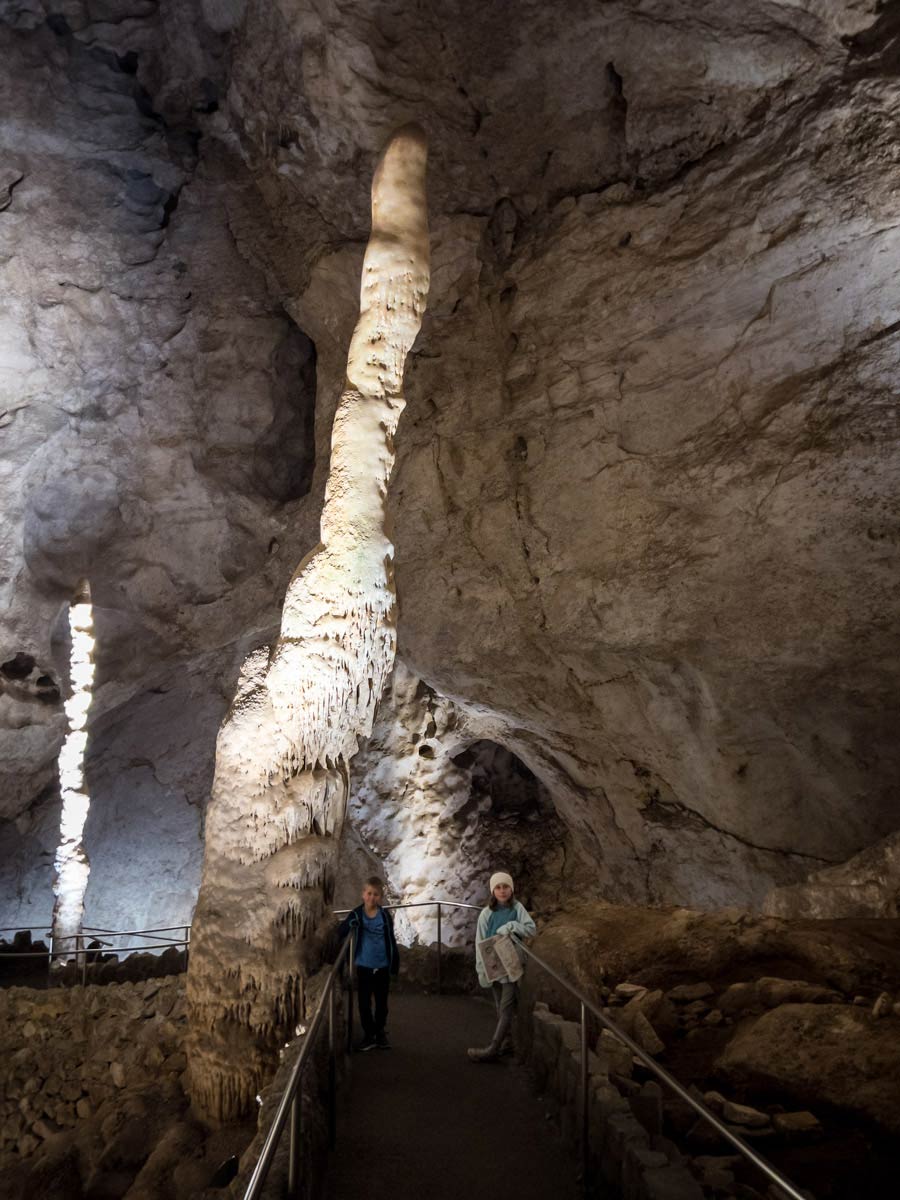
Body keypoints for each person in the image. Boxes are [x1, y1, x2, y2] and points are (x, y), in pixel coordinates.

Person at [468, 871, 536, 1062]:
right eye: (498, 887)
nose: (502, 891)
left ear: (511, 888)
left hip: (511, 962)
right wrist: (481, 968)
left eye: (505, 887)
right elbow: (480, 941)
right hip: (493, 962)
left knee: (506, 1008)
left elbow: (531, 929)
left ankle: (493, 1048)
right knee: (500, 1006)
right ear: (493, 891)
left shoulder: (517, 908)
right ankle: (507, 1043)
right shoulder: (486, 914)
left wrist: (513, 925)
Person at [338, 875, 399, 1051]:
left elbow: (391, 941)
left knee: (382, 1003)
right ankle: (369, 1034)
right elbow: (342, 930)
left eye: (376, 894)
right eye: (369, 893)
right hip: (364, 966)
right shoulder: (357, 914)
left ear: (380, 897)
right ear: (363, 894)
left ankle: (379, 1032)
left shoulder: (385, 916)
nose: (372, 897)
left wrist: (394, 963)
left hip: (382, 966)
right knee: (364, 1003)